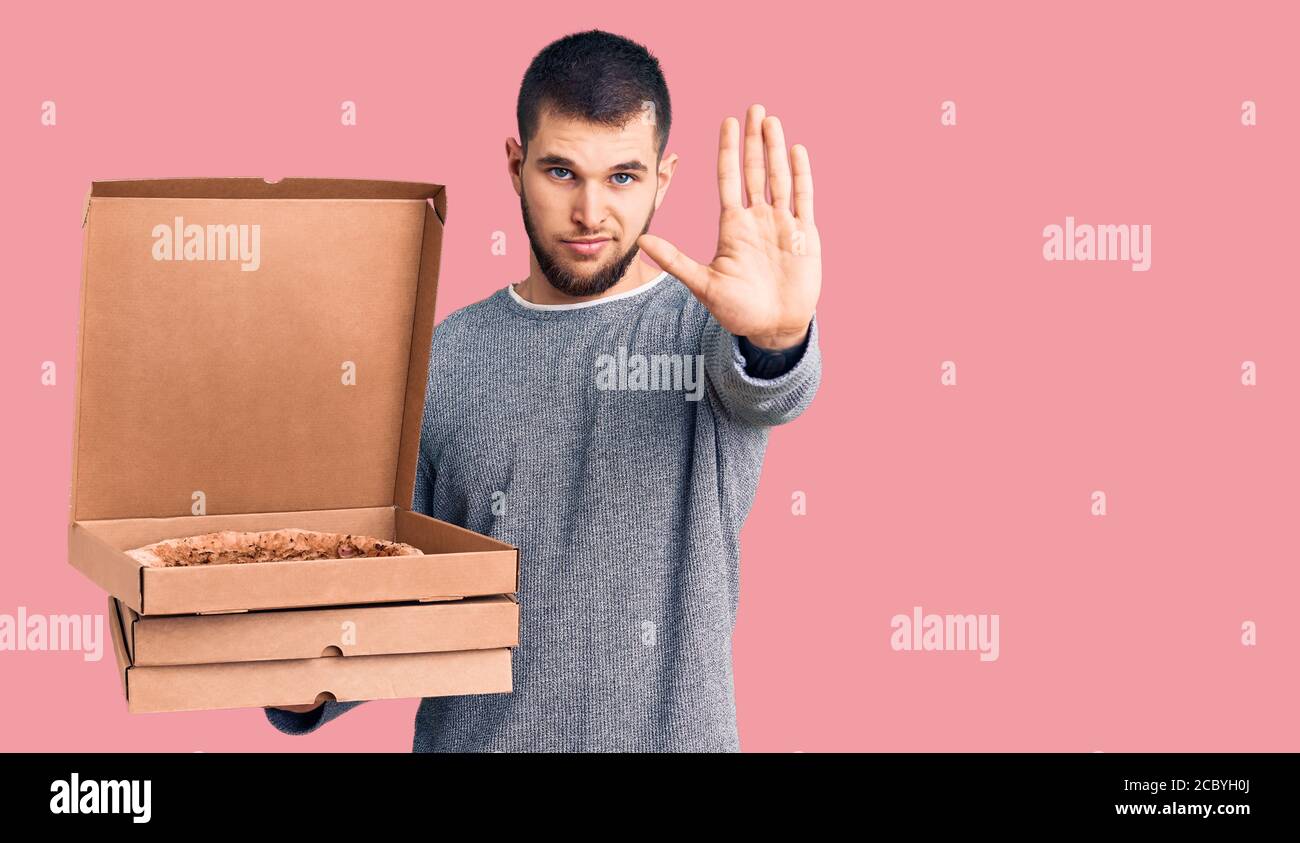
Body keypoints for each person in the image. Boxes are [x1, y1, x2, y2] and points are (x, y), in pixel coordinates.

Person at [265, 28, 822, 751]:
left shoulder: (705, 333)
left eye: (623, 176)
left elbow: (767, 390)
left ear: (664, 177)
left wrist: (777, 336)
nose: (591, 212)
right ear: (515, 162)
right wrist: (286, 668)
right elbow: (403, 594)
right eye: (562, 173)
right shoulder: (444, 357)